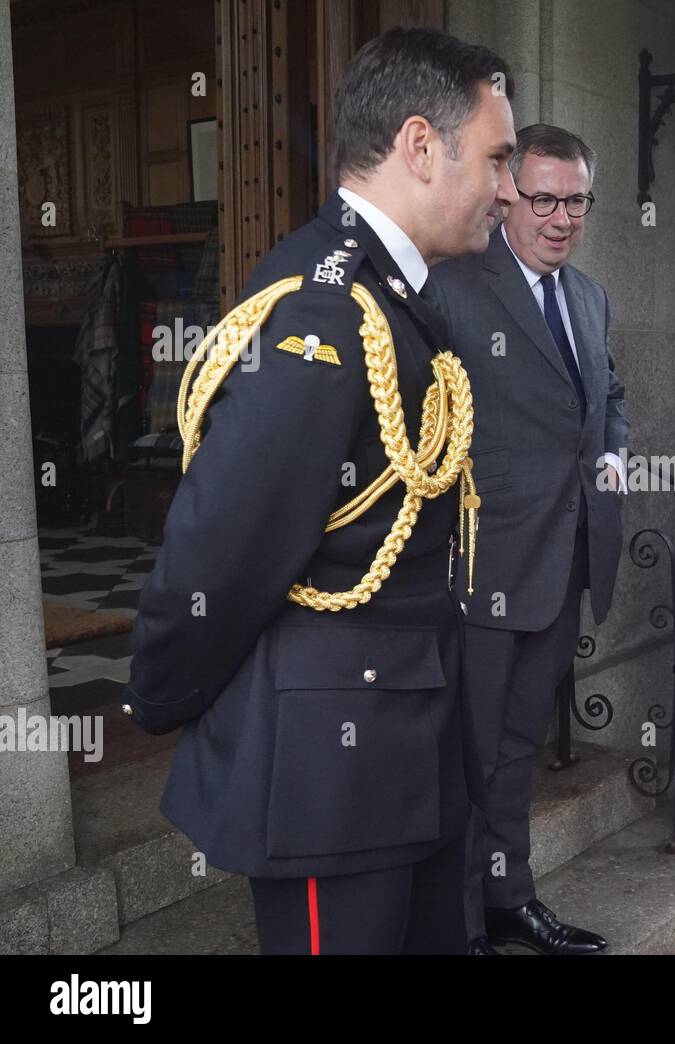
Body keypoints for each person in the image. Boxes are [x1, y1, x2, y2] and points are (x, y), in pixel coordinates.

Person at [121, 27, 519, 955]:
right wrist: (160, 695)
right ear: (421, 147)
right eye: (497, 159)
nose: (509, 190)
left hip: (403, 742)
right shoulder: (321, 310)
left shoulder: (394, 293)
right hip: (331, 773)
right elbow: (224, 549)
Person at [425, 124, 629, 955]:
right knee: (470, 755)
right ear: (506, 193)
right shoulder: (452, 290)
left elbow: (609, 391)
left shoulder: (588, 295)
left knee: (519, 747)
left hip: (565, 559)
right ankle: (458, 923)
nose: (561, 218)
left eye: (576, 200)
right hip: (482, 569)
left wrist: (614, 454)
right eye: (543, 198)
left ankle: (510, 897)